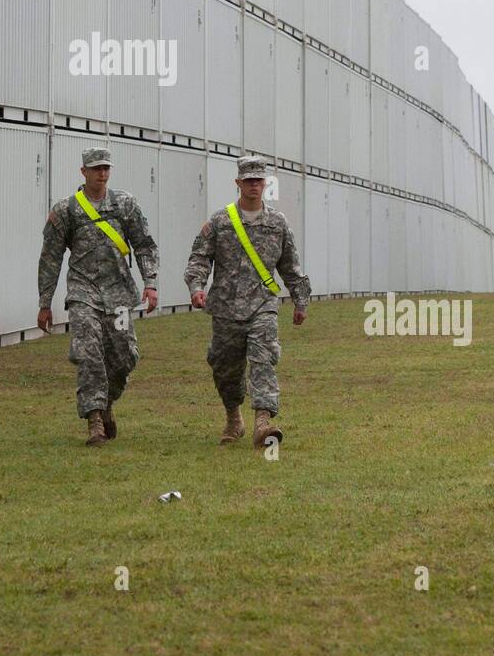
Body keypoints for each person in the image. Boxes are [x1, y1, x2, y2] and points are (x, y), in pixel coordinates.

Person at [184, 155, 311, 447]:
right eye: (249, 180)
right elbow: (199, 259)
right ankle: (233, 417)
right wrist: (196, 287)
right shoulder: (220, 221)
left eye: (259, 180)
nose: (254, 185)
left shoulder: (277, 223)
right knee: (225, 369)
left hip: (262, 306)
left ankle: (263, 422)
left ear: (265, 183)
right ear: (238, 183)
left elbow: (291, 267)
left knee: (263, 359)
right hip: (226, 308)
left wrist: (300, 301)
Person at [37, 147, 159, 446]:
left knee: (124, 357)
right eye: (96, 169)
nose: (102, 174)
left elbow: (144, 244)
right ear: (84, 172)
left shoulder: (124, 205)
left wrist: (151, 282)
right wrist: (45, 302)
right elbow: (50, 258)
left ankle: (105, 404)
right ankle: (94, 423)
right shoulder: (67, 210)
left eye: (106, 168)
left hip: (118, 296)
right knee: (89, 353)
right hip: (84, 294)